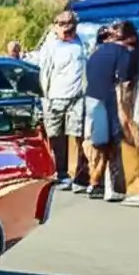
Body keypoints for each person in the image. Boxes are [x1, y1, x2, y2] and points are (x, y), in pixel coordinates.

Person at [82, 20, 134, 201]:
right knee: (113, 145)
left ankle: (95, 183)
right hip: (108, 101)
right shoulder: (124, 53)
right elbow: (124, 84)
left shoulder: (96, 53)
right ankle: (110, 187)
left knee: (98, 143)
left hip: (91, 99)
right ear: (130, 38)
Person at [38, 10, 90, 192]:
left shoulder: (81, 43)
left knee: (77, 137)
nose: (67, 28)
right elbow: (44, 72)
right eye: (62, 24)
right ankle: (60, 173)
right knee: (55, 137)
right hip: (54, 98)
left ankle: (78, 176)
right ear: (56, 26)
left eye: (70, 24)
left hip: (77, 98)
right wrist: (46, 97)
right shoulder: (50, 45)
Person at [110, 21, 139, 206]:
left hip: (136, 104)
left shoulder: (129, 54)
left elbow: (127, 85)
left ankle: (137, 189)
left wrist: (125, 113)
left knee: (132, 143)